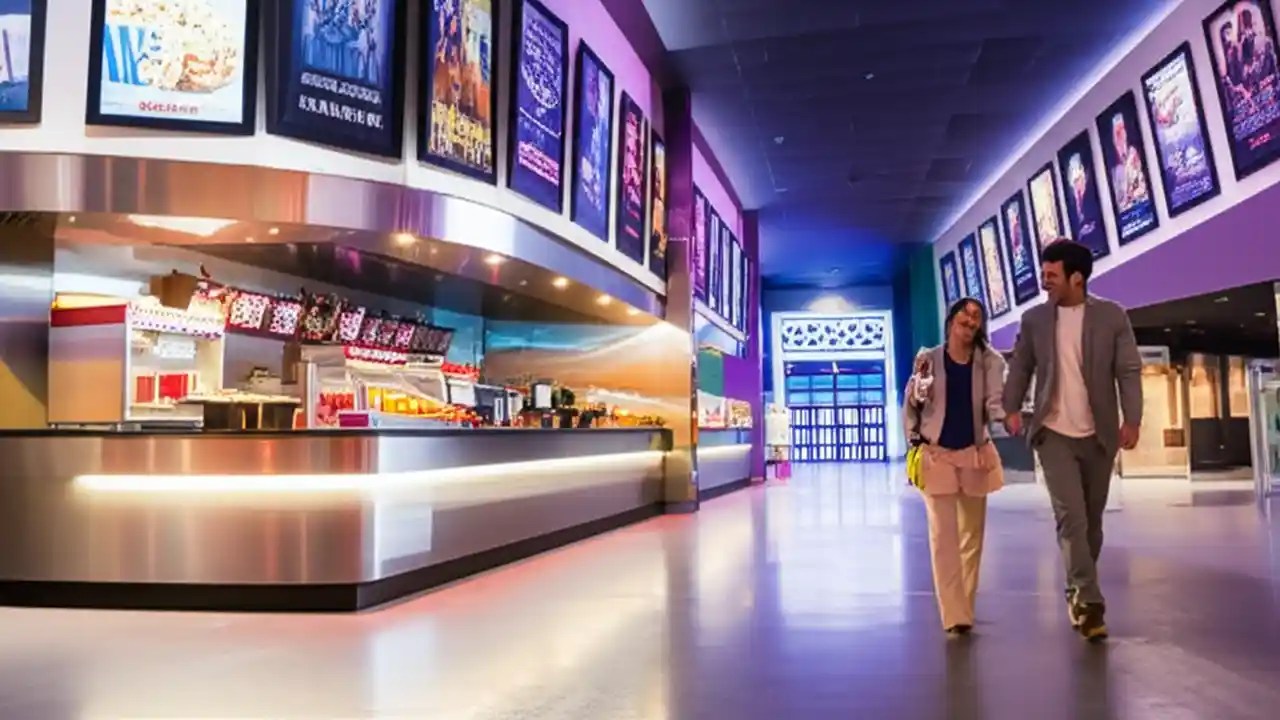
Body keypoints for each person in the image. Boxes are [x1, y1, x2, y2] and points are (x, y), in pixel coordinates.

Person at [1001, 239, 1142, 642]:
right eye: (1043, 273)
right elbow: (1021, 366)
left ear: (1076, 278)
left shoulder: (1112, 316)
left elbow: (1128, 370)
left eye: (1051, 274)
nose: (1044, 280)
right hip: (1053, 433)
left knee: (1092, 523)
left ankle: (1076, 588)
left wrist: (1132, 418)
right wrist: (1011, 407)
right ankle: (1091, 601)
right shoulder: (1035, 320)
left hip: (1099, 435)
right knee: (1072, 518)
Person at [903, 297, 1006, 636]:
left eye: (977, 316)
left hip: (973, 454)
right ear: (951, 320)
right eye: (966, 313)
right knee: (942, 537)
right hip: (936, 456)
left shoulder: (990, 362)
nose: (971, 320)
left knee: (971, 537)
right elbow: (912, 403)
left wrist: (1008, 418)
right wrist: (917, 404)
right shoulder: (928, 359)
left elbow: (994, 402)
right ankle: (954, 615)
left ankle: (965, 606)